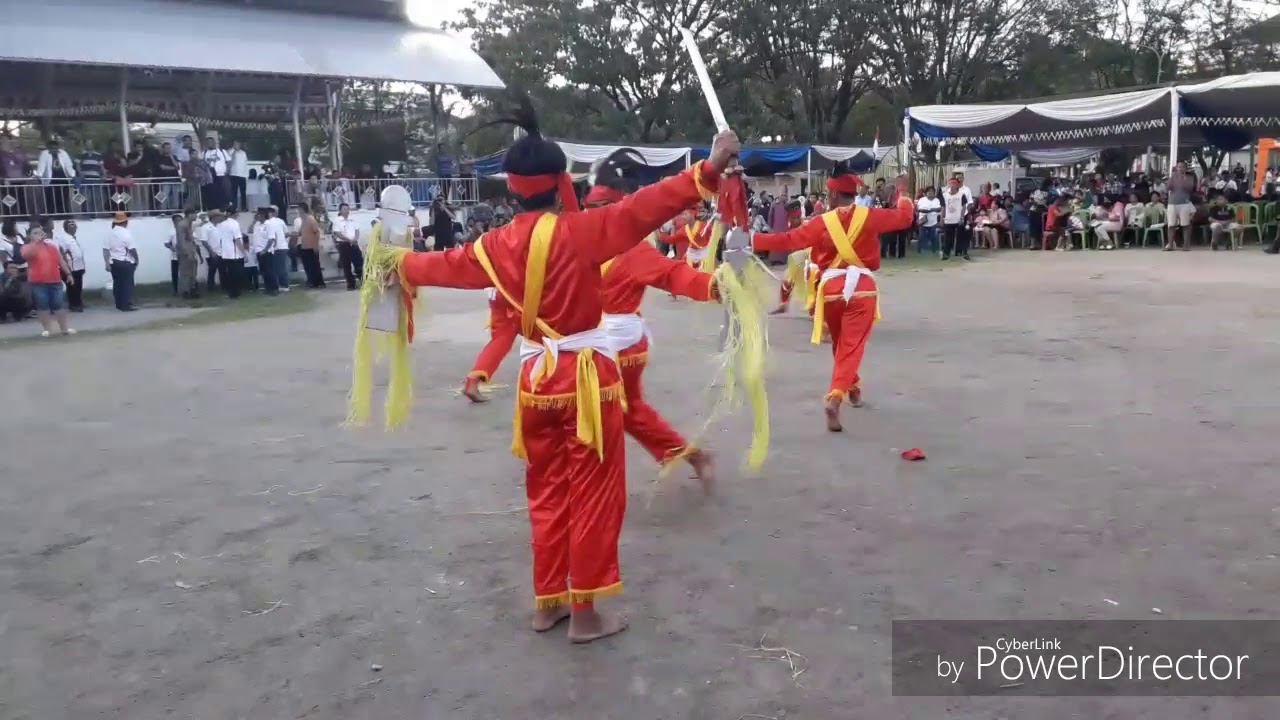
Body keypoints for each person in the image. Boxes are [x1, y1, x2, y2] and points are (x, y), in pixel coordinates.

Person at [354, 96, 738, 642]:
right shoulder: (582, 233)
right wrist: (707, 169)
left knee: (547, 493)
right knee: (594, 494)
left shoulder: (489, 248)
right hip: (586, 381)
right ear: (560, 182)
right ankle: (585, 612)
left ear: (510, 188)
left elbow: (429, 265)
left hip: (535, 385)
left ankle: (548, 603)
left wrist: (389, 259)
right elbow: (645, 209)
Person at [751, 162, 914, 432]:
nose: (827, 199)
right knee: (851, 346)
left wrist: (753, 240)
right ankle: (835, 397)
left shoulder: (820, 222)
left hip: (830, 293)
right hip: (861, 289)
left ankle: (854, 387)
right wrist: (902, 191)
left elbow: (788, 240)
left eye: (828, 195)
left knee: (842, 346)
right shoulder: (870, 216)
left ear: (835, 195)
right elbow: (904, 218)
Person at [588, 149, 719, 486]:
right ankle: (690, 454)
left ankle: (591, 486)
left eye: (599, 209)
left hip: (616, 346)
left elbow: (672, 274)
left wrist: (713, 285)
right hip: (613, 342)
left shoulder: (631, 250)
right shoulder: (586, 240)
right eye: (591, 209)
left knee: (594, 413)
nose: (593, 215)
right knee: (631, 411)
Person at [20, 226, 75, 337]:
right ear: (30, 236)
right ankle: (47, 330)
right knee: (42, 306)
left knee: (59, 305)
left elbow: (61, 261)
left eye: (40, 232)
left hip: (55, 280)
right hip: (38, 282)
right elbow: (27, 255)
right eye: (35, 233)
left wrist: (68, 274)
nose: (39, 235)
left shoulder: (51, 247)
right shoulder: (26, 247)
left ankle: (64, 329)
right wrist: (35, 243)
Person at [103, 212, 138, 311]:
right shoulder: (126, 233)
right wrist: (137, 259)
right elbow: (131, 249)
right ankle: (126, 305)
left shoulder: (109, 233)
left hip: (113, 262)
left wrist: (106, 263)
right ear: (125, 222)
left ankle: (119, 304)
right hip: (125, 261)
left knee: (117, 284)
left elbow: (105, 249)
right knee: (127, 284)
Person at [212, 208, 246, 298]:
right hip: (234, 253)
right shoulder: (234, 224)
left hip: (225, 253)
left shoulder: (221, 225)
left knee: (229, 273)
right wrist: (244, 253)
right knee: (236, 274)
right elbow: (237, 239)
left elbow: (219, 239)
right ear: (234, 214)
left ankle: (230, 291)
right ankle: (235, 292)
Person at [36, 138, 75, 217]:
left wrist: (73, 175)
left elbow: (68, 165)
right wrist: (39, 175)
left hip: (63, 179)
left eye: (55, 148)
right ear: (49, 147)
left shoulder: (63, 153)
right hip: (50, 180)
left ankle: (64, 214)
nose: (54, 149)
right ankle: (52, 215)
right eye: (52, 148)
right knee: (50, 199)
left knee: (64, 198)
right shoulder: (44, 154)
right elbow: (41, 166)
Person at [1166, 161, 1197, 251]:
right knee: (1171, 225)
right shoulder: (1173, 177)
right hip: (1172, 203)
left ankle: (1186, 245)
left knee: (1186, 225)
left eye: (1182, 167)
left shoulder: (1189, 177)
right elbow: (1168, 188)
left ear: (1185, 169)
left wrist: (1182, 179)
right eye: (1178, 167)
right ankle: (1170, 245)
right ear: (1176, 168)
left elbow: (1189, 188)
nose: (1180, 169)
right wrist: (1172, 178)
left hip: (1184, 203)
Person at [333, 203, 363, 290]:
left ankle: (363, 281)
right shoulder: (337, 220)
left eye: (347, 209)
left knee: (359, 263)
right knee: (346, 265)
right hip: (344, 244)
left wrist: (355, 239)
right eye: (344, 209)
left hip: (354, 244)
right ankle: (351, 284)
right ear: (340, 211)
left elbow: (357, 230)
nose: (347, 211)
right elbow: (337, 233)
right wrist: (349, 240)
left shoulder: (353, 219)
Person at [940, 177, 972, 260]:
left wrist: (962, 217)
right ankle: (946, 254)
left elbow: (964, 206)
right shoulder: (945, 195)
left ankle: (962, 252)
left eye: (954, 183)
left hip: (958, 219)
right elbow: (943, 207)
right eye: (950, 183)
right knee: (948, 238)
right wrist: (942, 218)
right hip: (948, 219)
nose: (952, 185)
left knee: (961, 236)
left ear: (957, 185)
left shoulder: (961, 194)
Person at [58, 219, 86, 311]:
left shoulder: (73, 238)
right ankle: (74, 304)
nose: (75, 227)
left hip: (79, 266)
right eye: (72, 225)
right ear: (66, 228)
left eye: (74, 225)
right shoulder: (64, 238)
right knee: (73, 287)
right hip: (71, 266)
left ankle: (78, 302)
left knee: (78, 286)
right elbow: (62, 252)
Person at [295, 203, 325, 288]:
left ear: (302, 210)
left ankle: (319, 282)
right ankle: (312, 281)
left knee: (314, 265)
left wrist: (315, 245)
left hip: (311, 246)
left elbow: (316, 232)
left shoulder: (310, 219)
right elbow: (300, 232)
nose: (298, 212)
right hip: (304, 246)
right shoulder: (303, 220)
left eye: (299, 210)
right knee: (308, 266)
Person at [173, 212, 202, 300]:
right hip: (186, 251)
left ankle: (192, 290)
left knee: (192, 272)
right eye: (194, 214)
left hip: (190, 249)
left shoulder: (189, 224)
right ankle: (185, 292)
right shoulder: (182, 225)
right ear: (189, 214)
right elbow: (180, 240)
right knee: (185, 272)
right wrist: (186, 252)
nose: (196, 216)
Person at [264, 205, 290, 291]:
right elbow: (286, 233)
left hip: (278, 247)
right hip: (280, 246)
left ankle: (284, 285)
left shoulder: (269, 222)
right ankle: (282, 284)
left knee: (280, 267)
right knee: (279, 267)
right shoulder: (280, 221)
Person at [916, 186, 941, 254]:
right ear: (926, 193)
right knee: (921, 236)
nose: (930, 193)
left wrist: (930, 210)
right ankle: (919, 249)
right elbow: (918, 209)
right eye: (928, 191)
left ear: (934, 193)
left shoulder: (937, 200)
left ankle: (934, 250)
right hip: (923, 221)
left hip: (933, 222)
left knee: (933, 236)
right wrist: (926, 210)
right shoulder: (922, 200)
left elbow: (939, 209)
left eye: (932, 191)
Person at [229, 140, 249, 211]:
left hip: (242, 175)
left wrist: (246, 175)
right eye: (235, 144)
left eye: (238, 144)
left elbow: (245, 164)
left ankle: (244, 207)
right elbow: (230, 160)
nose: (237, 145)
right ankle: (234, 207)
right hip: (233, 174)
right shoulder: (230, 151)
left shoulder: (243, 153)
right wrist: (234, 150)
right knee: (234, 192)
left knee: (243, 192)